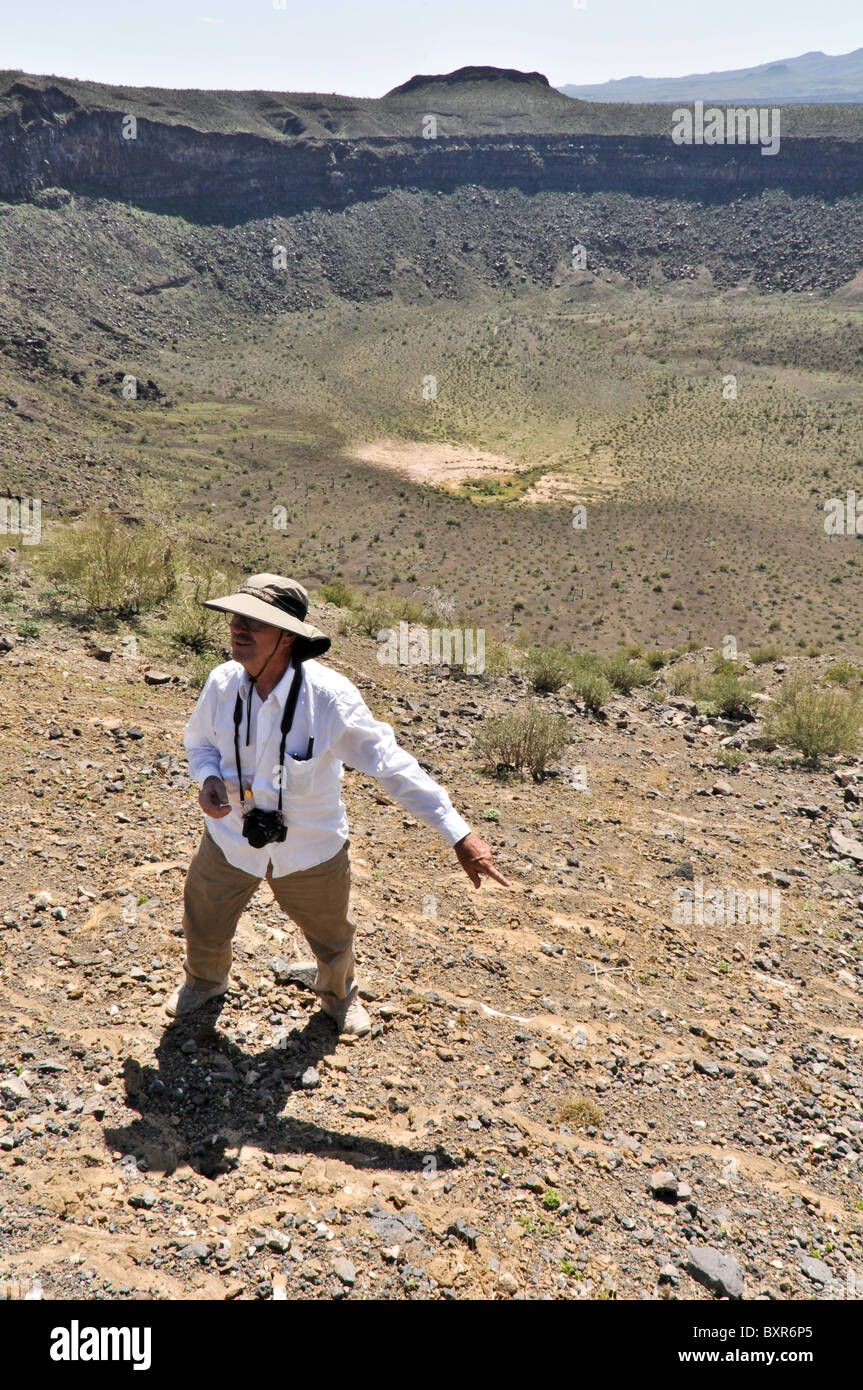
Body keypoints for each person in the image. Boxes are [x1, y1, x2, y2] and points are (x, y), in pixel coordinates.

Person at [167, 574, 509, 1035]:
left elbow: (391, 765)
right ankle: (204, 984)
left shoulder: (329, 699)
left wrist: (459, 832)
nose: (238, 629)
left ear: (287, 636)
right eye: (236, 618)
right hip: (230, 841)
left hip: (312, 850)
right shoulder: (222, 683)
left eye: (255, 622)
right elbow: (200, 742)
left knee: (332, 938)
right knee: (203, 923)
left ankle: (339, 997)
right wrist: (208, 777)